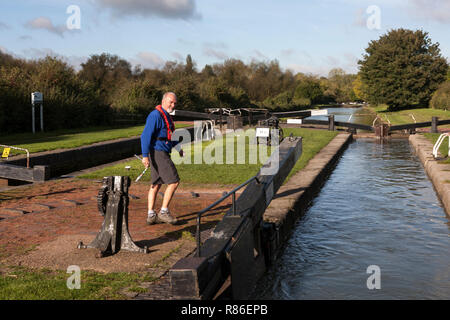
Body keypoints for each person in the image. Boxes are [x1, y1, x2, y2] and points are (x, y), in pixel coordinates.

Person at [140, 92, 184, 225]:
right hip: (158, 152)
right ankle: (164, 212)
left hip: (162, 150)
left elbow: (169, 136)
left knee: (156, 184)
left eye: (175, 103)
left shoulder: (167, 117)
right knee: (174, 181)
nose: (173, 105)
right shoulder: (155, 115)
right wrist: (144, 156)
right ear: (164, 101)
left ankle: (151, 215)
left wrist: (178, 148)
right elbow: (145, 136)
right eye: (171, 102)